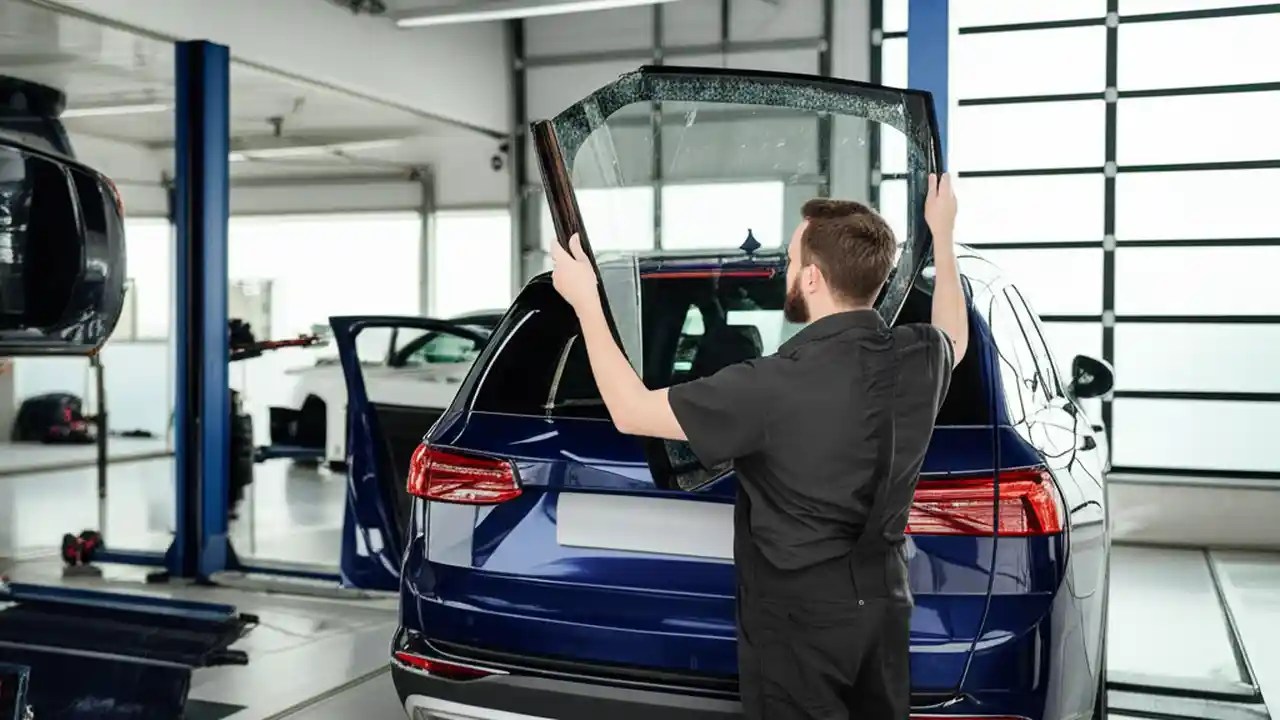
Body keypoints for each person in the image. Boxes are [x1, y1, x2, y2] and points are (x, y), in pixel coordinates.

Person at [550, 173, 967, 720]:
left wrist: (586, 303)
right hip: (884, 606)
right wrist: (943, 236)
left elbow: (631, 412)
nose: (786, 271)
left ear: (813, 279)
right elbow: (954, 336)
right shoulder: (920, 357)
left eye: (792, 260)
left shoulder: (770, 386)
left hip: (799, 621)